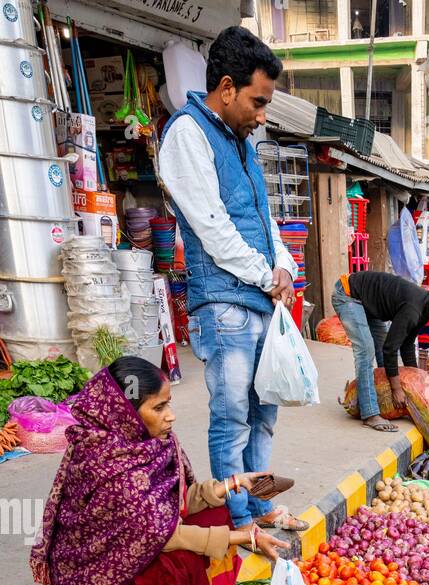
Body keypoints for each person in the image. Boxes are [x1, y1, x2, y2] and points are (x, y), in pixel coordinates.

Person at [16, 357, 294, 585]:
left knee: (216, 512)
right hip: (97, 573)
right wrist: (244, 536)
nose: (171, 416)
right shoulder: (108, 463)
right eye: (159, 408)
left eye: (168, 404)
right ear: (125, 413)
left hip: (141, 540)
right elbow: (160, 536)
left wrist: (236, 482)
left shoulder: (150, 442)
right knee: (181, 563)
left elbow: (175, 500)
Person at [160, 27, 303, 534]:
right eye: (257, 101)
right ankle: (237, 518)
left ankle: (261, 506)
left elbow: (264, 220)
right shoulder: (187, 135)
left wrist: (284, 264)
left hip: (260, 299)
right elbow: (213, 227)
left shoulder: (242, 140)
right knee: (232, 418)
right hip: (224, 306)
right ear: (225, 88)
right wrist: (269, 274)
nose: (262, 115)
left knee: (264, 414)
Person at [332, 270, 429, 431]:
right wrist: (397, 388)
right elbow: (390, 349)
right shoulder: (413, 310)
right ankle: (370, 413)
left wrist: (418, 381)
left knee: (383, 351)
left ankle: (384, 403)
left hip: (367, 303)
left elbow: (407, 346)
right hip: (348, 295)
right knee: (366, 351)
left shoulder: (424, 307)